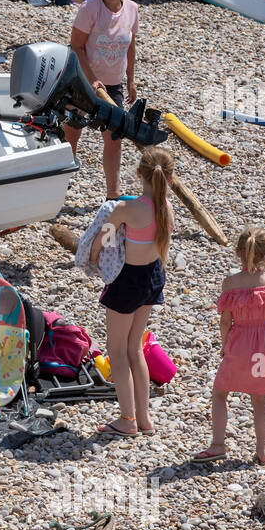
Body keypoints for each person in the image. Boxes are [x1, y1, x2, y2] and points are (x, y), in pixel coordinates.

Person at [88, 147, 174, 437]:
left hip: (127, 281)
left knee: (117, 350)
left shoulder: (127, 209)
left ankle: (127, 419)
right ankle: (145, 418)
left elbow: (105, 237)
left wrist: (94, 254)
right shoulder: (166, 209)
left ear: (139, 174)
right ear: (169, 178)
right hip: (152, 277)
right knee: (136, 347)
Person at [192, 228, 265, 466]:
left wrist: (225, 345)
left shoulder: (230, 284)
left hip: (239, 344)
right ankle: (261, 449)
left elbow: (226, 320)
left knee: (220, 392)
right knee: (259, 398)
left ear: (238, 253)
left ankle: (217, 444)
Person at [67, 0, 140, 200]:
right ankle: (62, 179)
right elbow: (76, 46)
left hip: (113, 84)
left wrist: (130, 80)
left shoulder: (132, 9)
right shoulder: (89, 8)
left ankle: (112, 193)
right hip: (83, 80)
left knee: (114, 137)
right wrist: (92, 77)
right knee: (73, 129)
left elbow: (131, 46)